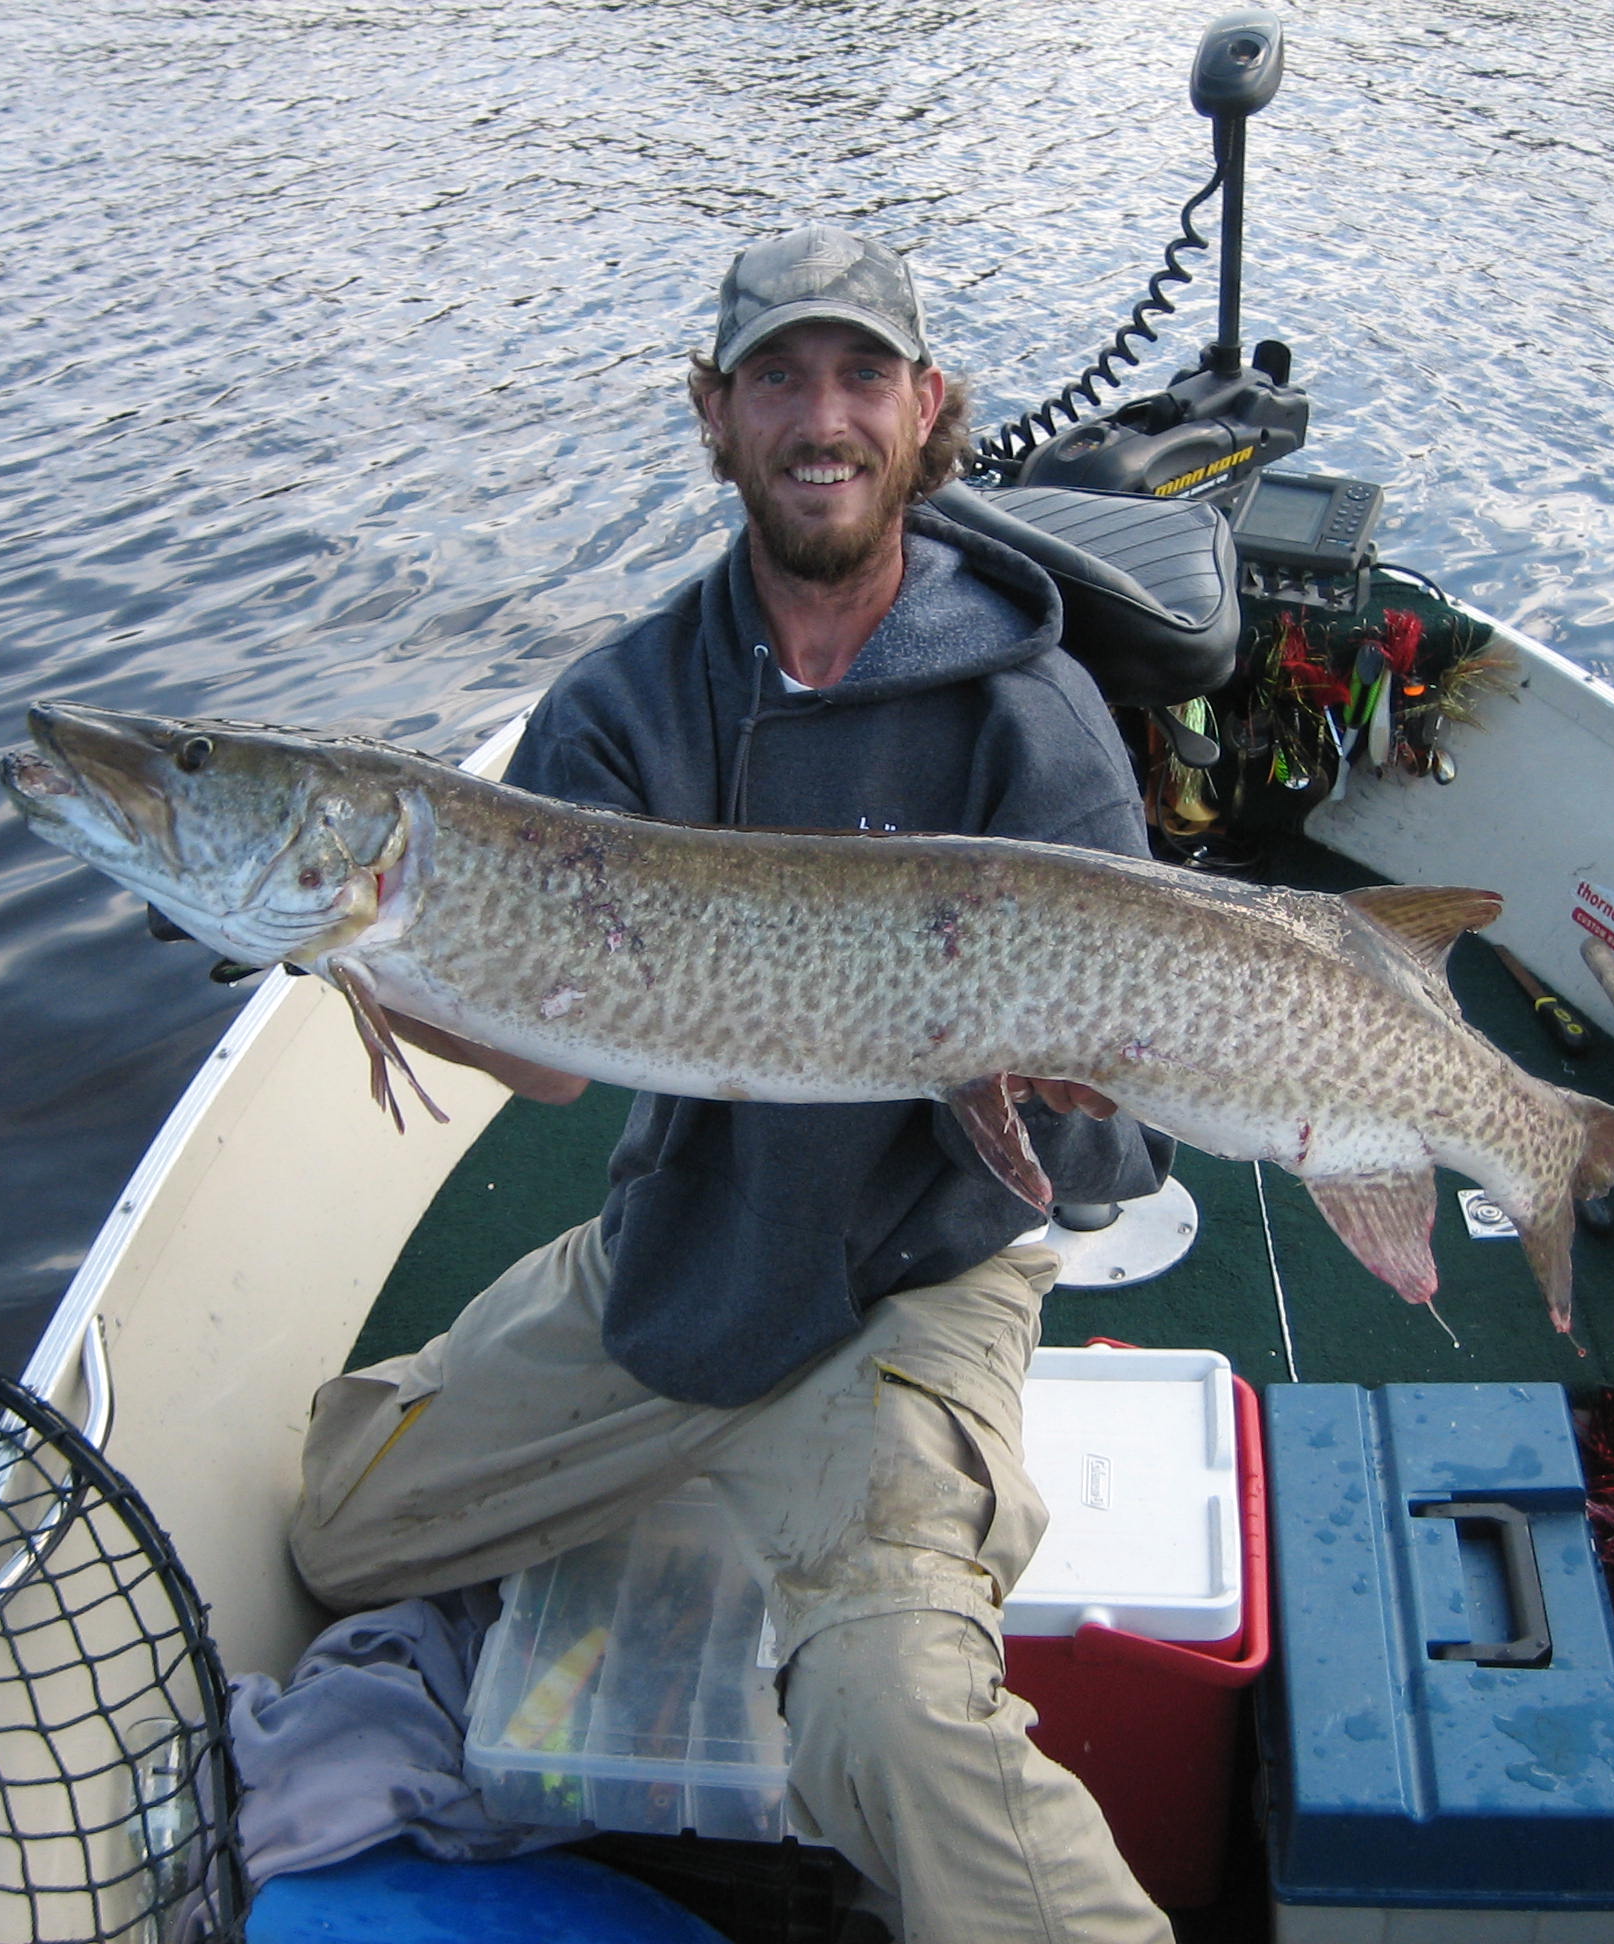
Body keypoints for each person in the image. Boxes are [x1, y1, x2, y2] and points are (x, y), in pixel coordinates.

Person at [288, 223, 1177, 1944]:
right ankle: (696, 1462)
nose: (818, 417)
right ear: (716, 416)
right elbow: (550, 1063)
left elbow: (1097, 1155)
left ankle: (818, 1514)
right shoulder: (620, 706)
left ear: (926, 413)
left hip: (919, 1280)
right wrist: (373, 955)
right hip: (690, 1246)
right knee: (337, 1533)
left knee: (894, 1728)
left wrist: (1061, 1077)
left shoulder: (1039, 718)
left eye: (859, 377)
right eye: (776, 377)